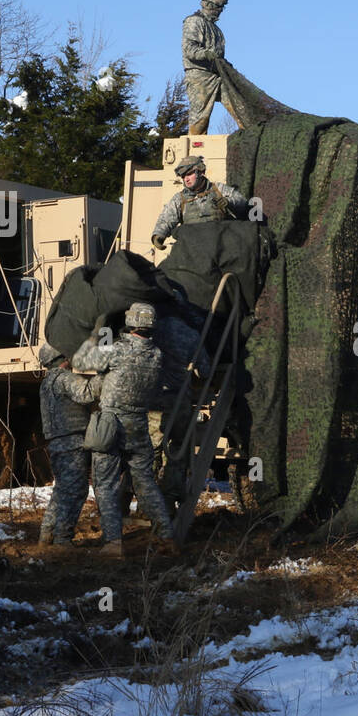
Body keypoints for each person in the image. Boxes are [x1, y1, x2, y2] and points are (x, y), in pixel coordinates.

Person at [72, 302, 174, 558]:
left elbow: (80, 361)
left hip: (111, 425)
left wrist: (96, 335)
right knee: (145, 483)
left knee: (105, 484)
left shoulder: (117, 350)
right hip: (139, 425)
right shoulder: (157, 355)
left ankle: (113, 543)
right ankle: (167, 537)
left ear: (131, 322)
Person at [37, 345, 102, 548]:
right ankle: (63, 538)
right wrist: (105, 374)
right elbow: (87, 393)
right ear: (62, 358)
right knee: (77, 490)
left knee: (62, 490)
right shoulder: (65, 378)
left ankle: (46, 533)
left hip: (57, 442)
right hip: (72, 441)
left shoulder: (46, 383)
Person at [151, 155, 250, 249]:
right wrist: (159, 234)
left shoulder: (218, 190)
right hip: (193, 251)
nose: (186, 179)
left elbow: (243, 203)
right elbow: (167, 218)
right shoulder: (179, 199)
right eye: (183, 176)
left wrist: (229, 202)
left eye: (189, 174)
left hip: (220, 248)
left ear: (200, 172)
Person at [183, 0, 232, 135]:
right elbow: (189, 50)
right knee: (200, 117)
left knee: (238, 104)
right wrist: (208, 54)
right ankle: (192, 152)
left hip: (218, 76)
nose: (221, 11)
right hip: (199, 76)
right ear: (210, 5)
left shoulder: (216, 30)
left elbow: (218, 55)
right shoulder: (194, 22)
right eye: (219, 7)